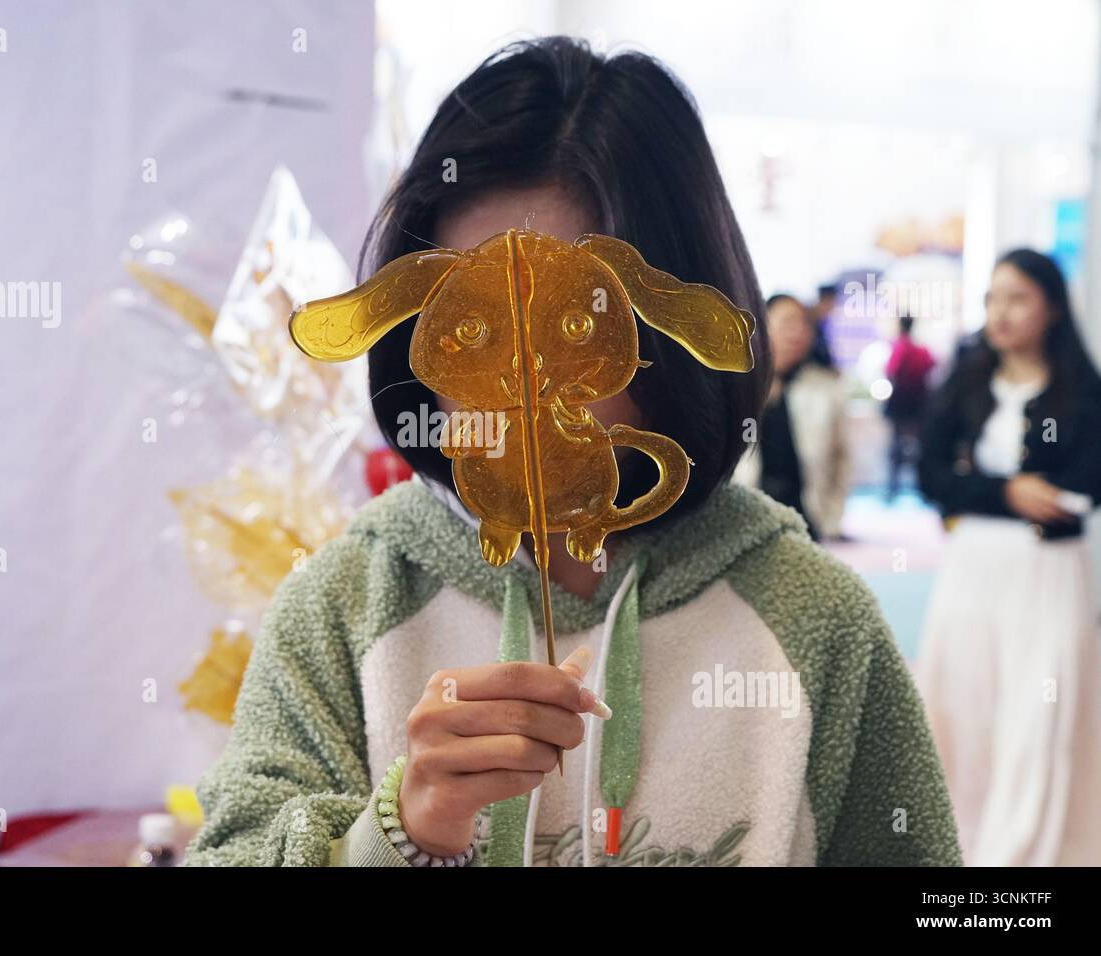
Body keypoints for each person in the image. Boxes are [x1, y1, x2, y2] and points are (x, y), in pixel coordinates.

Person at [185, 37, 959, 868]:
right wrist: (400, 830)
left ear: (664, 334)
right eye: (476, 325)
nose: (518, 379)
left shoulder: (813, 618)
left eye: (569, 323)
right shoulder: (345, 606)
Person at [916, 248, 1101, 866]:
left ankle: (1024, 851)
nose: (1001, 313)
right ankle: (959, 842)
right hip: (974, 567)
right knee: (967, 705)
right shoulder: (965, 381)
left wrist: (1043, 495)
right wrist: (1006, 492)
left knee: (1039, 708)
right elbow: (932, 476)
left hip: (1048, 569)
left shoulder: (1082, 389)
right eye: (993, 298)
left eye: (1018, 298)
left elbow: (1088, 482)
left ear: (1052, 308)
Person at [732, 294, 853, 542]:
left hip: (806, 516)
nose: (797, 332)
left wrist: (832, 514)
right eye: (788, 322)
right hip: (745, 517)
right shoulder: (737, 385)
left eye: (804, 324)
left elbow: (841, 457)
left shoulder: (825, 388)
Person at [883, 314, 936, 502]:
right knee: (918, 447)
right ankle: (920, 486)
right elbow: (932, 368)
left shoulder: (899, 348)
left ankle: (893, 489)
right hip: (919, 404)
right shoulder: (921, 350)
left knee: (896, 447)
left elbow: (890, 372)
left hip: (901, 403)